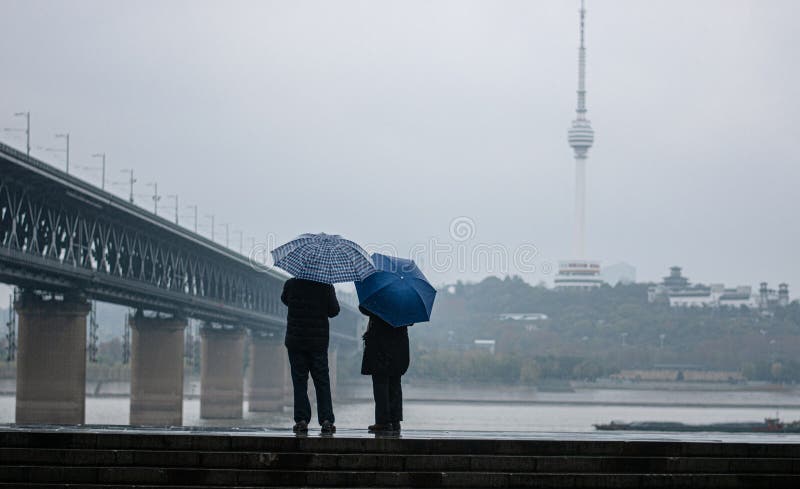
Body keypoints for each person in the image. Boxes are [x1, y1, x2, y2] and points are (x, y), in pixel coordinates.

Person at [281, 277, 340, 434]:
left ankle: (301, 420)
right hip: (317, 343)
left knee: (299, 382)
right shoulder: (326, 285)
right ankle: (326, 421)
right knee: (322, 382)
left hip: (296, 341)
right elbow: (334, 311)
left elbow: (285, 300)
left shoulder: (291, 284)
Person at [359, 306, 410, 433]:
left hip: (380, 345)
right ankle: (395, 421)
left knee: (380, 384)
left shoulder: (378, 298)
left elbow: (364, 308)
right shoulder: (404, 300)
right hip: (399, 344)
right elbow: (411, 321)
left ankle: (383, 422)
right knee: (395, 383)